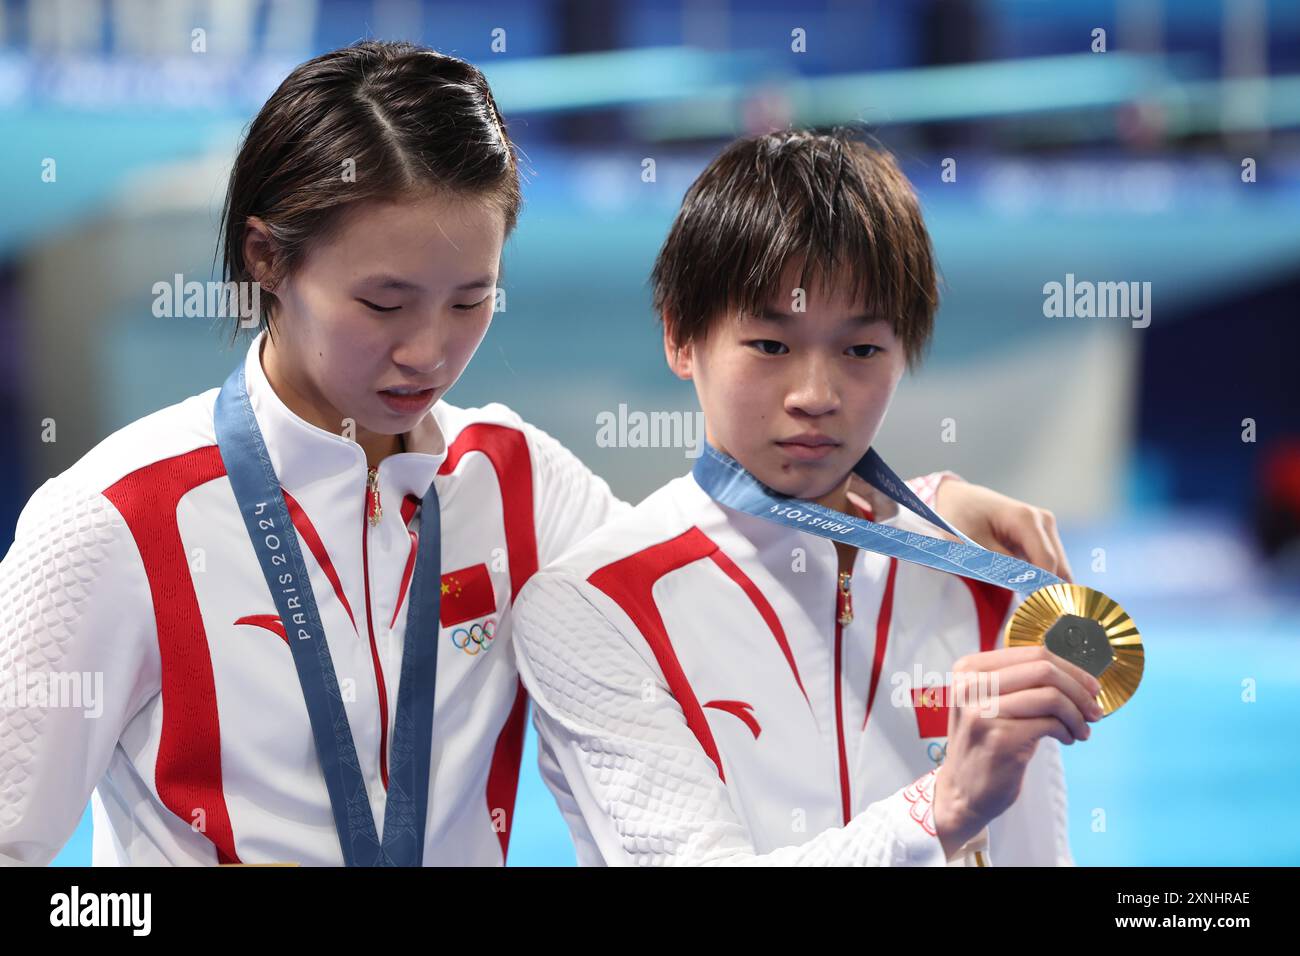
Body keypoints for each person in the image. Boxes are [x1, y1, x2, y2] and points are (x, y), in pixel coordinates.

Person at [0, 43, 1074, 866]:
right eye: (383, 302)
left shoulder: (519, 482)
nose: (429, 349)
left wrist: (924, 503)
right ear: (266, 258)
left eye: (470, 300)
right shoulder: (110, 520)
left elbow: (707, 545)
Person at [511, 129, 1100, 866]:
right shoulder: (592, 608)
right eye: (771, 346)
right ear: (680, 337)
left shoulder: (978, 573)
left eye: (860, 351)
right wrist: (940, 810)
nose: (816, 396)